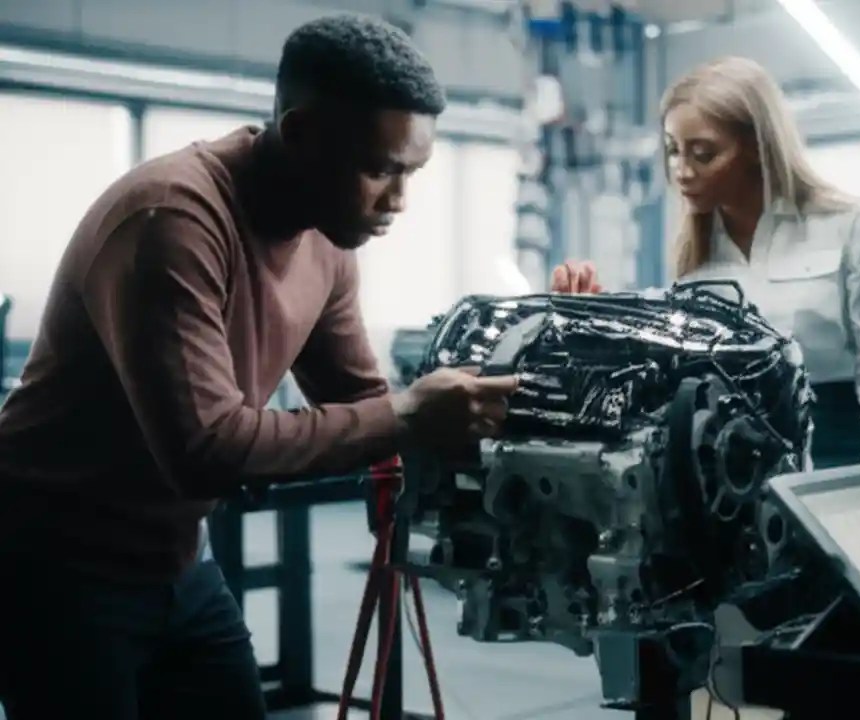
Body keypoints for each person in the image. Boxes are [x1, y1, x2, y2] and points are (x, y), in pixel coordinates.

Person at [0, 14, 517, 720]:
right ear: (301, 134)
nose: (399, 200)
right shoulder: (173, 221)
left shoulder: (330, 239)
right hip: (55, 566)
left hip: (177, 559)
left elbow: (359, 396)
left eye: (412, 172)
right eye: (379, 169)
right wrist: (407, 416)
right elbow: (208, 451)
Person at [552, 56, 860, 468]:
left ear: (754, 146)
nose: (682, 170)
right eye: (673, 151)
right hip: (728, 461)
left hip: (837, 450)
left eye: (703, 153)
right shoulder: (693, 253)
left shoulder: (850, 227)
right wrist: (593, 321)